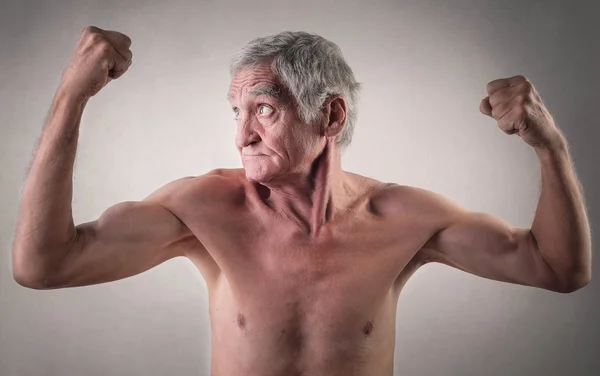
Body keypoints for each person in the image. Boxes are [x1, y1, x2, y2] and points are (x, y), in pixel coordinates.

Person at [11, 26, 592, 376]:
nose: (241, 137)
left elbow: (558, 267)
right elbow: (44, 265)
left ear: (330, 114)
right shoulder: (202, 211)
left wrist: (550, 148)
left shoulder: (402, 220)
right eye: (235, 113)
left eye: (263, 109)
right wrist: (72, 96)